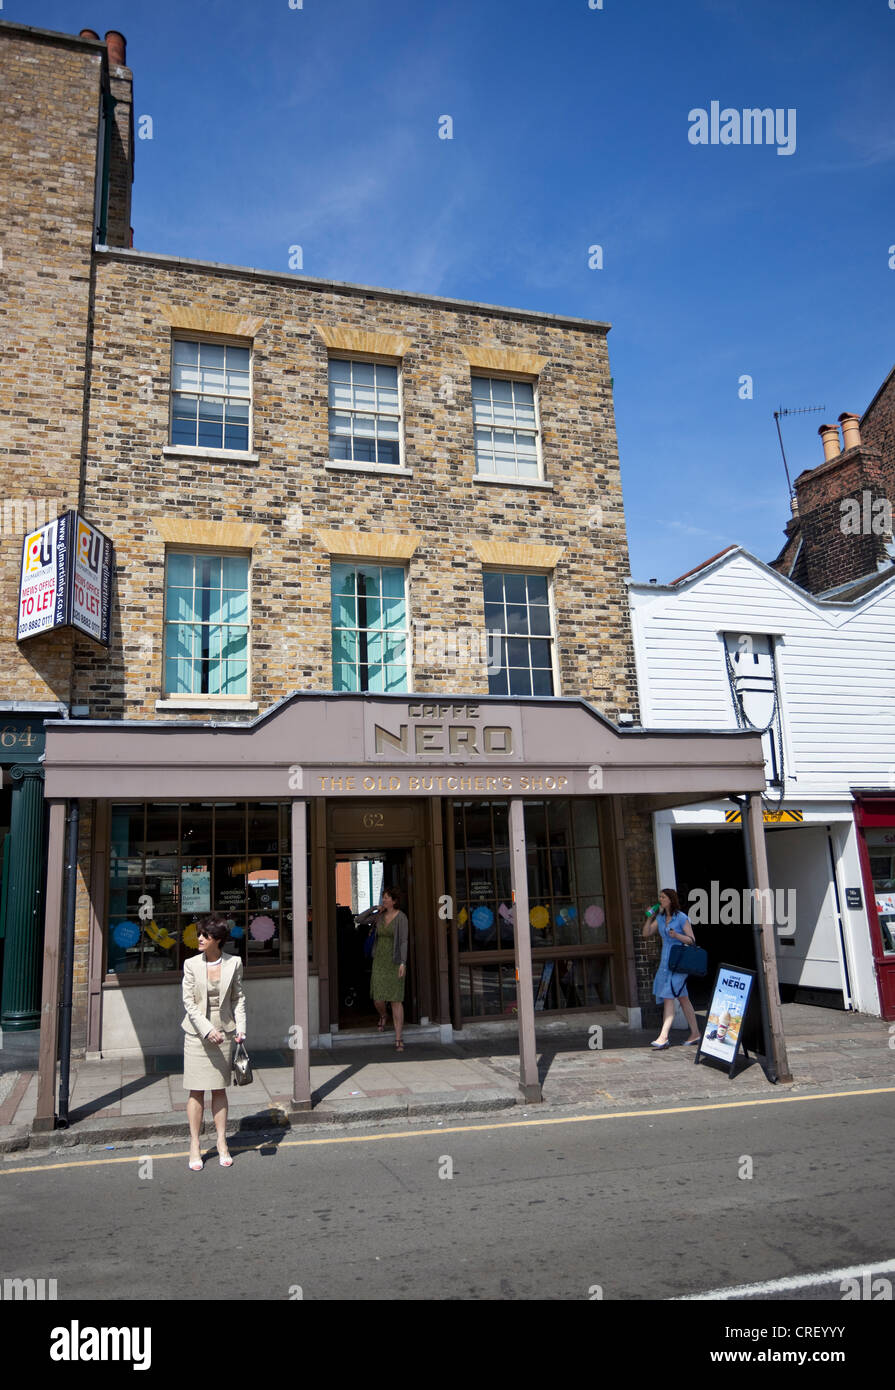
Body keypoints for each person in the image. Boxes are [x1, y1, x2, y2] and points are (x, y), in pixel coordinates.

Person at [181, 914, 247, 1170]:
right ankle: (195, 1143)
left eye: (204, 936)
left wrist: (241, 1029)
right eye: (199, 934)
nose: (199, 939)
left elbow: (238, 998)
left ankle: (221, 1141)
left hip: (226, 1032)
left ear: (217, 940)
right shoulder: (190, 964)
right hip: (198, 1034)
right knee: (196, 1090)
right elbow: (188, 1002)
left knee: (219, 1089)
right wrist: (208, 1030)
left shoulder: (234, 963)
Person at [642, 888, 701, 1049]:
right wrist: (649, 918)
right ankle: (695, 1032)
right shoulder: (661, 918)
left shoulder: (681, 918)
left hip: (679, 962)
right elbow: (646, 933)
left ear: (670, 899)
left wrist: (677, 936)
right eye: (660, 897)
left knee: (669, 996)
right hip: (665, 963)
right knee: (683, 998)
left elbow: (691, 940)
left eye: (663, 897)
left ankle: (663, 1036)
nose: (660, 899)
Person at [358, 887, 408, 1050]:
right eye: (383, 898)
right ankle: (383, 1015)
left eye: (387, 898)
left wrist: (403, 962)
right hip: (379, 961)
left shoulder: (401, 918)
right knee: (378, 998)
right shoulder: (379, 917)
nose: (384, 900)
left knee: (395, 1000)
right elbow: (360, 919)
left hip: (395, 962)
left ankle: (398, 1038)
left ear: (394, 901)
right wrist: (374, 908)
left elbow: (403, 941)